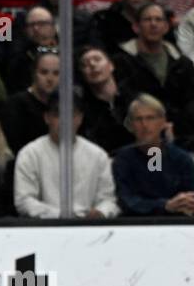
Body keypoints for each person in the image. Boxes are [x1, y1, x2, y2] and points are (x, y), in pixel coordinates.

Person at [14, 87, 118, 218]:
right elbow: (24, 201)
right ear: (47, 117)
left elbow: (109, 200)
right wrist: (61, 216)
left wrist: (101, 212)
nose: (64, 120)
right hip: (45, 230)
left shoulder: (98, 155)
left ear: (80, 118)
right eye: (58, 114)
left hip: (89, 229)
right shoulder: (30, 154)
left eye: (71, 114)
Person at [114, 2, 194, 137]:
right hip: (137, 134)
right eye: (147, 19)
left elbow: (192, 100)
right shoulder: (122, 61)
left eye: (158, 19)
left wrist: (177, 126)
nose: (153, 24)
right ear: (136, 27)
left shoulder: (182, 63)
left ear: (166, 27)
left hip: (180, 134)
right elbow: (125, 101)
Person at [112, 93, 194, 214]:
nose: (145, 125)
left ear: (163, 122)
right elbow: (126, 200)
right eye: (139, 119)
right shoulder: (123, 160)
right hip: (136, 225)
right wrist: (165, 205)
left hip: (178, 224)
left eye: (150, 118)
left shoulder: (180, 158)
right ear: (131, 125)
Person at [0, 49, 61, 152]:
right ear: (33, 74)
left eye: (56, 73)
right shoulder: (14, 106)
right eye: (44, 72)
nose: (50, 78)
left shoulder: (66, 105)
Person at [79, 45, 135, 154]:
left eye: (97, 59)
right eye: (85, 64)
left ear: (111, 65)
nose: (92, 65)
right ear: (82, 75)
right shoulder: (83, 112)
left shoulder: (134, 100)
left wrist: (156, 167)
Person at [5, 8, 58, 92]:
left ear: (53, 27)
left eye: (42, 23)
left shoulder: (66, 51)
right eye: (31, 25)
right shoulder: (20, 60)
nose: (36, 28)